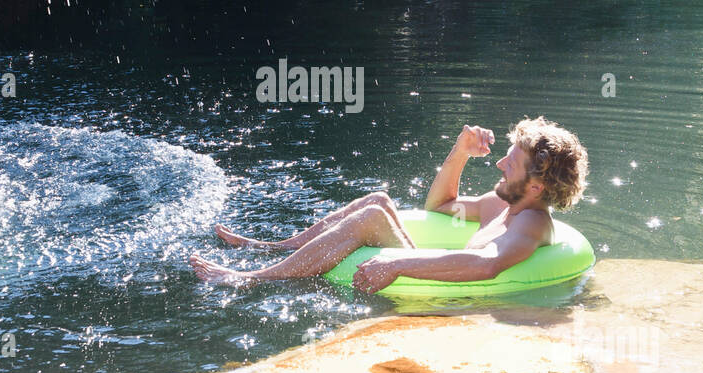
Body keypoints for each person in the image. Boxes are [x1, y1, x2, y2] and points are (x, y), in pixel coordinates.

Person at [189, 116, 589, 294]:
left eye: (511, 164)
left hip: (441, 296)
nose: (501, 163)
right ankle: (274, 249)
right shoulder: (502, 206)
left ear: (535, 186)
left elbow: (486, 265)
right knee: (379, 199)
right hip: (424, 270)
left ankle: (254, 278)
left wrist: (395, 263)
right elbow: (440, 205)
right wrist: (461, 151)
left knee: (373, 216)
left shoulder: (530, 224)